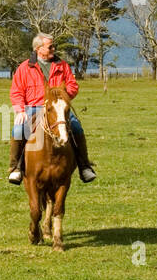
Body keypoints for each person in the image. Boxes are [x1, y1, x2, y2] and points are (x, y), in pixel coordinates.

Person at [6, 33, 96, 185]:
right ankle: (16, 168)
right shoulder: (24, 68)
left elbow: (73, 86)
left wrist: (62, 98)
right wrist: (20, 111)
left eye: (54, 46)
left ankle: (84, 166)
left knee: (76, 127)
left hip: (57, 107)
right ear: (38, 49)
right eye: (50, 47)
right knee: (18, 130)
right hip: (33, 107)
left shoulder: (62, 65)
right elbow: (16, 92)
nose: (54, 49)